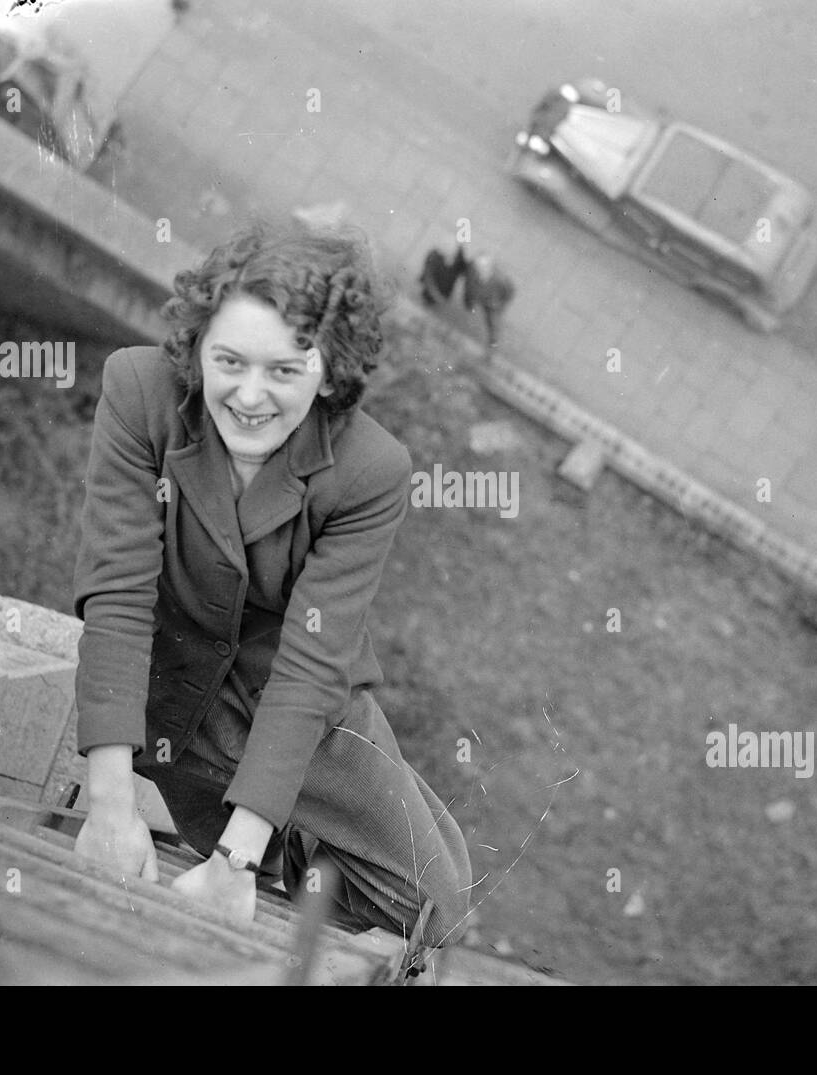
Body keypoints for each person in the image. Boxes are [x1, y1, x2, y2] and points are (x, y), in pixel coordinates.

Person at [71, 218, 471, 948]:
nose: (250, 397)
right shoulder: (139, 392)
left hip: (293, 696)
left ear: (329, 370)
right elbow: (120, 595)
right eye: (229, 361)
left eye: (284, 371)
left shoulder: (370, 468)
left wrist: (234, 859)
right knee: (224, 841)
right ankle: (264, 835)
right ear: (197, 345)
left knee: (437, 907)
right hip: (179, 692)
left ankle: (276, 835)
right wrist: (108, 801)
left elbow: (311, 662)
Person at [462, 252, 515, 349]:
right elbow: (468, 285)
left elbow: (509, 293)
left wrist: (500, 304)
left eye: (485, 267)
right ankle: (470, 307)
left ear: (491, 268)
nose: (481, 270)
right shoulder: (472, 272)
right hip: (478, 297)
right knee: (471, 303)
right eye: (478, 267)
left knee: (493, 321)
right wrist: (469, 300)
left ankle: (493, 339)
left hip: (491, 304)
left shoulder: (500, 280)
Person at [418, 242, 468, 306]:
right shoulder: (434, 258)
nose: (450, 260)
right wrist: (438, 297)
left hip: (442, 295)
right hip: (431, 294)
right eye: (447, 257)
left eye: (453, 257)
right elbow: (428, 280)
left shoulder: (458, 259)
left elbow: (466, 271)